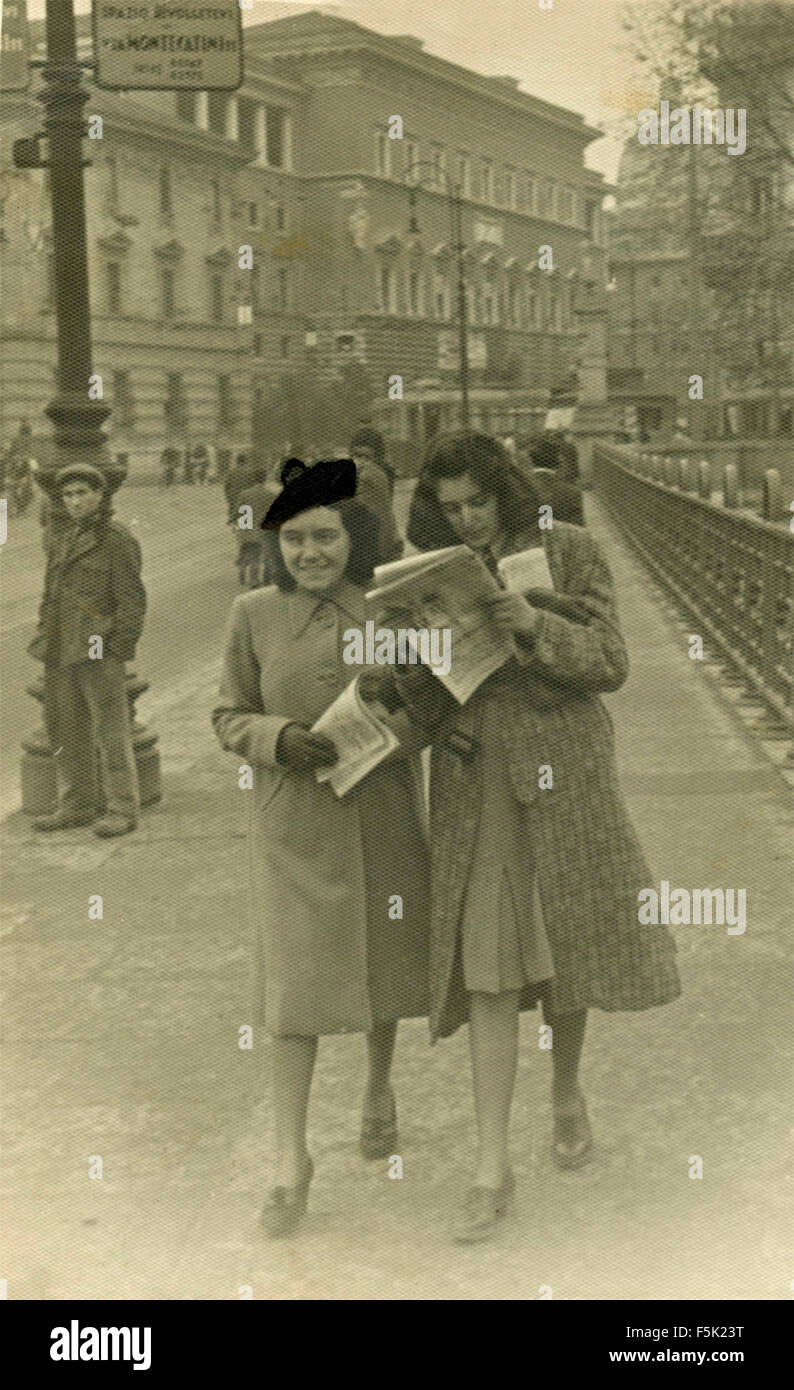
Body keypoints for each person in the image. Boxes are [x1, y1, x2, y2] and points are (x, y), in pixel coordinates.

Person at [396, 433, 680, 1243]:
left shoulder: (571, 550)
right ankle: (491, 1166)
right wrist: (405, 675)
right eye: (448, 509)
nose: (466, 520)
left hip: (562, 776)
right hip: (473, 780)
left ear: (506, 492)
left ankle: (564, 1091)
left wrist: (531, 628)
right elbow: (426, 695)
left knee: (566, 947)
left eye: (477, 503)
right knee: (487, 966)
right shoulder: (434, 571)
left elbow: (611, 661)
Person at [212, 457, 429, 1239]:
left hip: (382, 815)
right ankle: (289, 1159)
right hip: (293, 830)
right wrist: (278, 738)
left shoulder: (391, 609)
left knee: (383, 965)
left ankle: (378, 1087)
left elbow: (430, 708)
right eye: (295, 539)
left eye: (326, 536)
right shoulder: (252, 614)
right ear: (277, 544)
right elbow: (228, 715)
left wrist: (392, 727)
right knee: (292, 998)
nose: (310, 553)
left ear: (352, 538)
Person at [29, 463, 147, 838]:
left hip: (97, 647)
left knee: (110, 730)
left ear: (100, 495)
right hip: (60, 645)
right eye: (68, 495)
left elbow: (133, 601)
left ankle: (122, 809)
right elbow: (52, 591)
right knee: (65, 728)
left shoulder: (116, 539)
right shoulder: (64, 536)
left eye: (82, 493)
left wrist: (117, 649)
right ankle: (78, 804)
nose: (75, 501)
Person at [349, 427, 403, 563]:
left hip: (376, 547)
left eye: (365, 457)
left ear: (377, 457)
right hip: (382, 543)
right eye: (356, 455)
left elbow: (381, 510)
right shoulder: (357, 473)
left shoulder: (372, 474)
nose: (359, 461)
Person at [234, 462, 279, 589]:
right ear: (265, 479)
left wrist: (235, 521)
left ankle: (254, 580)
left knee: (254, 554)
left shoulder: (244, 494)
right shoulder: (271, 495)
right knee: (268, 555)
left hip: (248, 529)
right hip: (265, 530)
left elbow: (239, 511)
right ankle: (267, 578)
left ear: (253, 479)